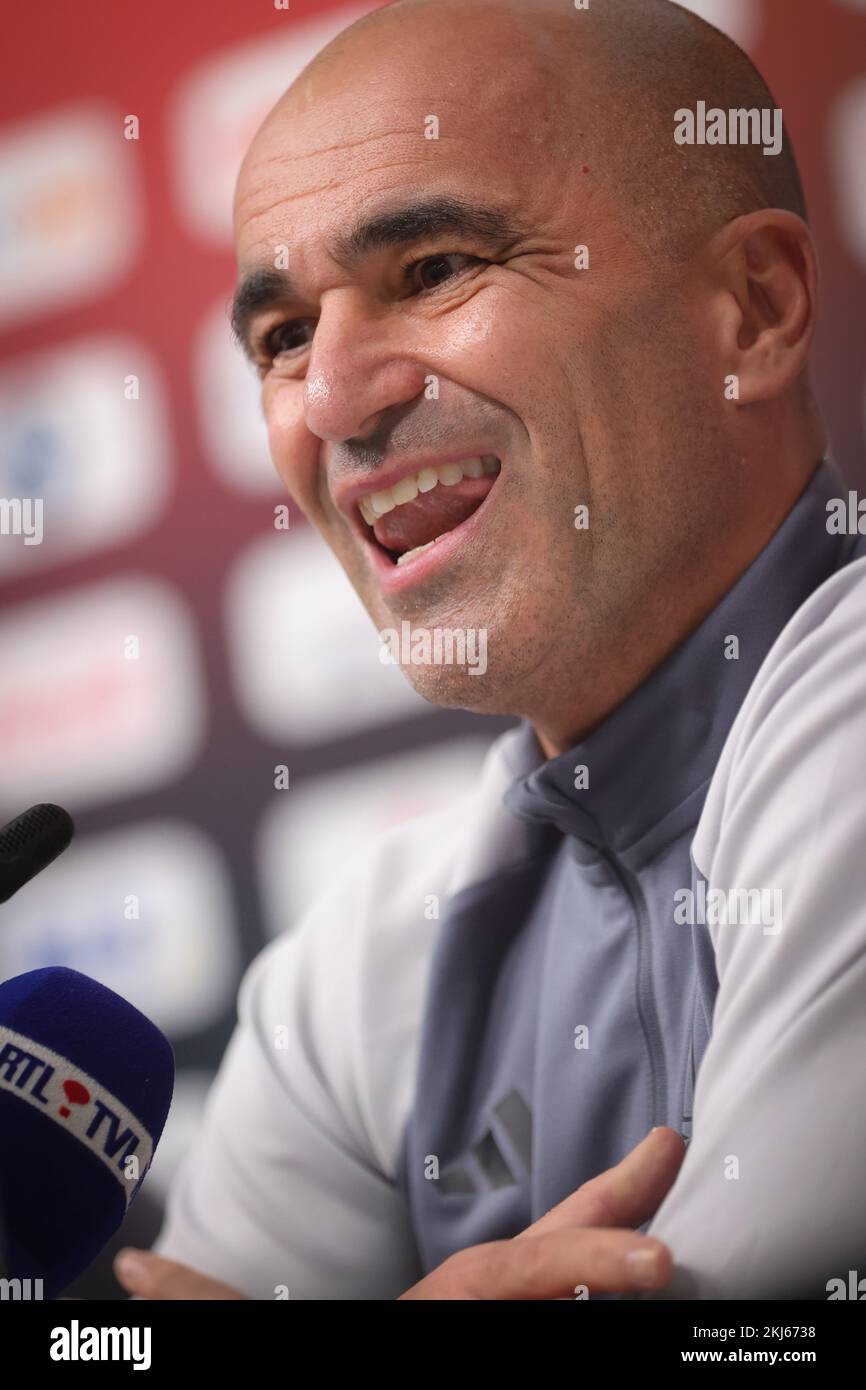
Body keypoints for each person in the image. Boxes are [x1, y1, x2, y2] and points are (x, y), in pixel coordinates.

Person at [115, 0, 866, 1300]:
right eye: (283, 337)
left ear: (754, 307)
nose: (336, 402)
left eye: (432, 270)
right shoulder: (351, 968)